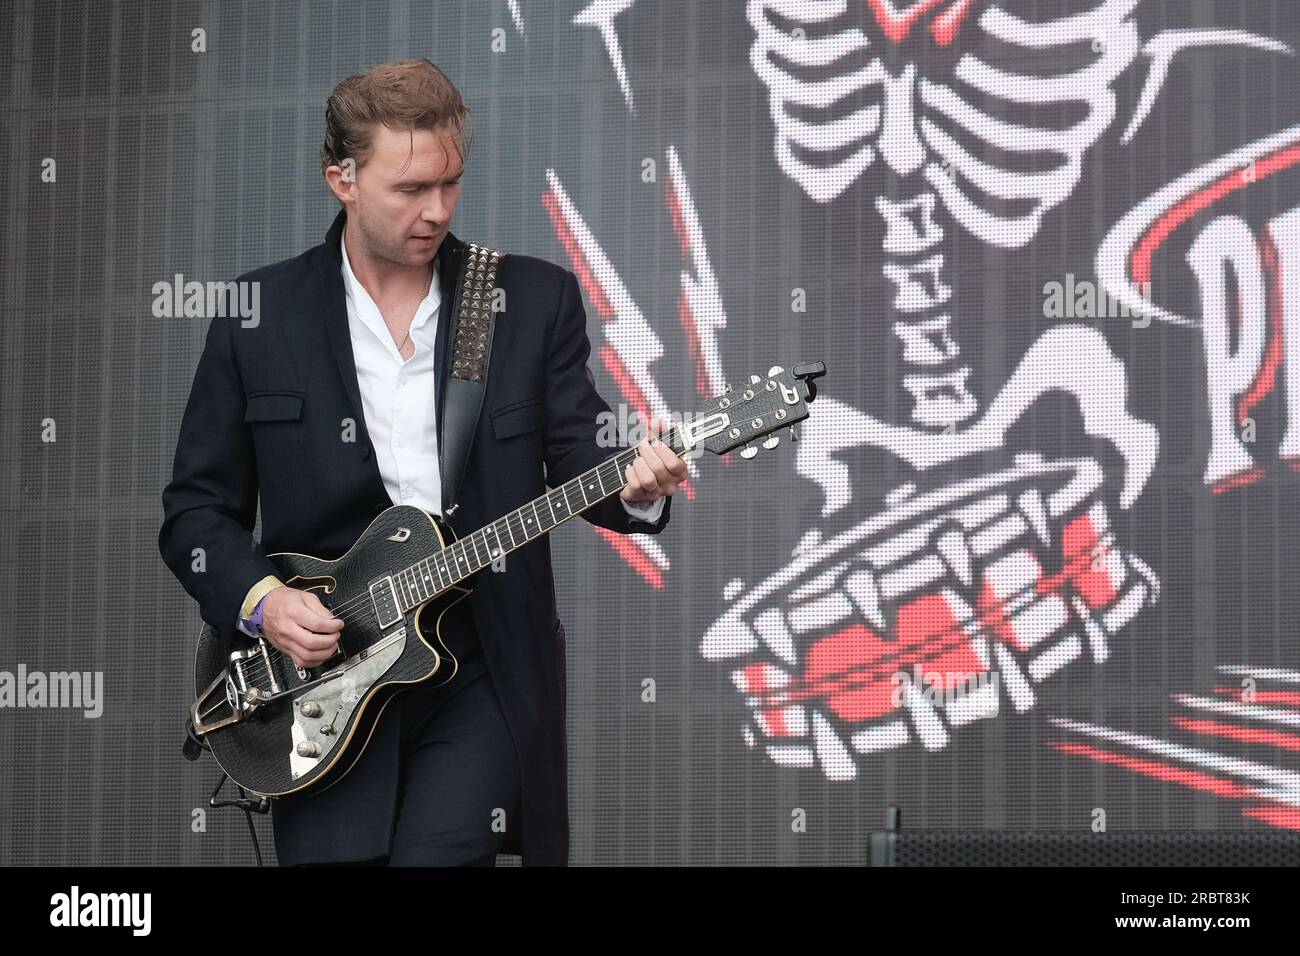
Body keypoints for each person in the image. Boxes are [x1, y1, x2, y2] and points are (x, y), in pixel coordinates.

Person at [158, 58, 687, 866]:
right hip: (322, 678)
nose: (436, 209)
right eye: (409, 189)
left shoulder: (527, 300)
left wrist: (642, 485)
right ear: (340, 178)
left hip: (478, 661)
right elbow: (196, 514)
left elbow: (583, 458)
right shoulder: (257, 319)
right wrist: (264, 604)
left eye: (450, 183)